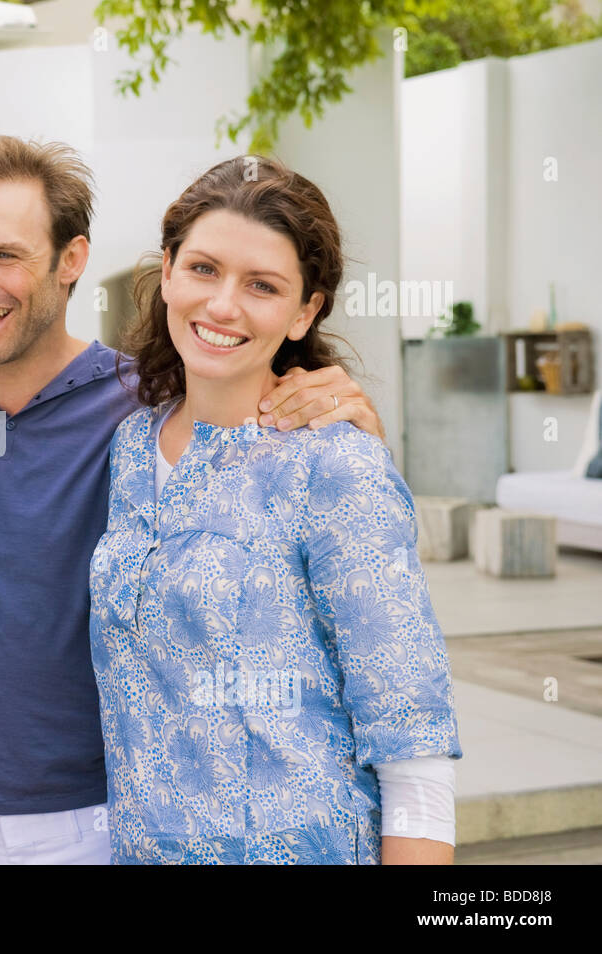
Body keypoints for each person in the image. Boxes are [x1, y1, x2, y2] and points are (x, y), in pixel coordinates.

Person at [0, 136, 386, 864]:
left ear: (72, 259)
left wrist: (350, 422)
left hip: (105, 824)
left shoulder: (151, 412)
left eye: (3, 255)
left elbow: (315, 539)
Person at [88, 155, 462, 865]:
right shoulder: (131, 448)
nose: (223, 305)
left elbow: (413, 744)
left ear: (305, 311)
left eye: (263, 286)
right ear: (166, 271)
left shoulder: (336, 465)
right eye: (203, 268)